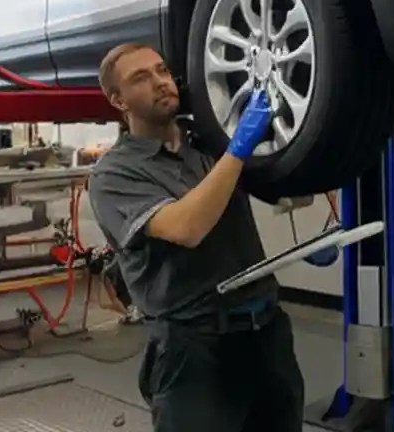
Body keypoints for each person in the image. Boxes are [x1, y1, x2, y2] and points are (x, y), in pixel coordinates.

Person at [87, 42, 305, 432]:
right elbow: (186, 228)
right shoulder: (114, 175)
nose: (160, 83)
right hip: (194, 348)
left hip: (266, 334)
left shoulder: (205, 145)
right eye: (141, 78)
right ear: (118, 100)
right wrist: (237, 149)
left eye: (162, 71)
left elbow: (277, 183)